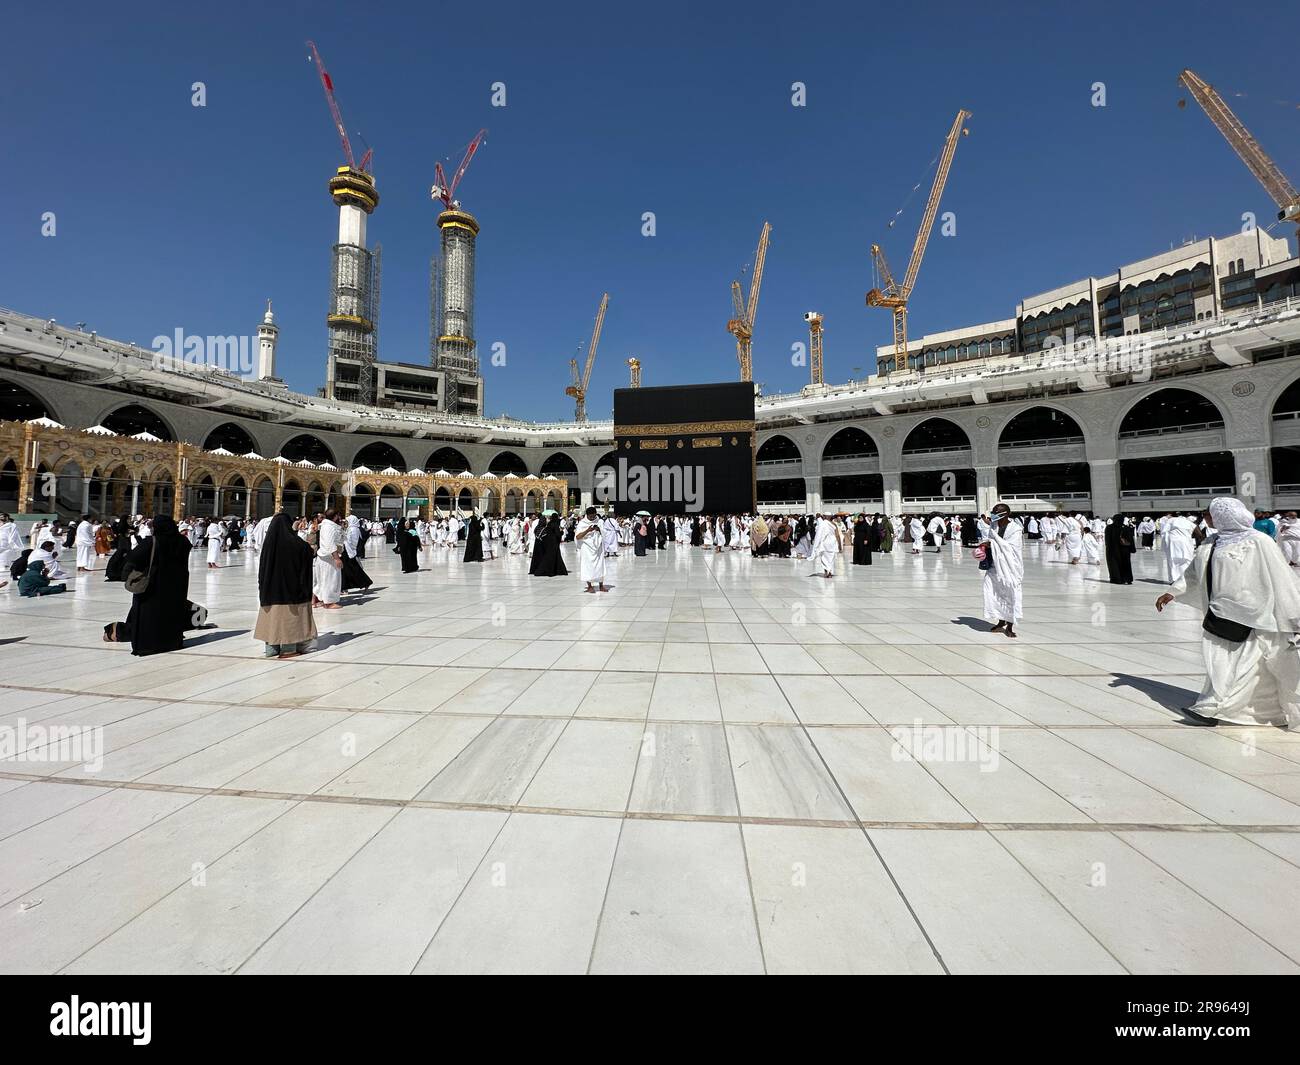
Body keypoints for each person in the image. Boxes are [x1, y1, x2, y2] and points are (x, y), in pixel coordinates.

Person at [1156, 497, 1300, 729]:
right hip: (1219, 614)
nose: (1206, 518)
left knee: (1247, 667)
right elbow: (1194, 572)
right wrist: (1173, 592)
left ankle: (1218, 709)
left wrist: (1293, 613)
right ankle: (1231, 707)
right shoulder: (1212, 542)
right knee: (1220, 664)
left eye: (1209, 514)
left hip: (1254, 615)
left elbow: (1281, 577)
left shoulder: (1258, 541)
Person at [122, 515, 192, 656]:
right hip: (177, 585)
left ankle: (148, 645)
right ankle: (172, 642)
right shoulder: (183, 541)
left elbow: (134, 557)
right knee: (172, 613)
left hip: (154, 585)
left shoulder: (152, 541)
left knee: (149, 616)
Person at [254, 512, 319, 659]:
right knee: (288, 620)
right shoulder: (295, 543)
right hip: (290, 593)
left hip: (270, 592)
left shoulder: (268, 545)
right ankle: (288, 650)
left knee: (272, 620)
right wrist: (312, 537)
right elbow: (309, 552)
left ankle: (271, 649)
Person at [981, 503, 1023, 638]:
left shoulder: (1015, 529)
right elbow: (991, 540)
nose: (993, 514)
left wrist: (991, 544)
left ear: (1006, 513)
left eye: (996, 512)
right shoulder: (993, 526)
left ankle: (1010, 625)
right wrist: (985, 546)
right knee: (992, 592)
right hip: (994, 565)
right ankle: (1000, 621)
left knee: (1011, 594)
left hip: (1009, 567)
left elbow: (1011, 548)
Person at [313, 510, 344, 609]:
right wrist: (337, 558)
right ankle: (329, 602)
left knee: (322, 579)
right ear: (335, 516)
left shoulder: (325, 525)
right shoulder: (329, 527)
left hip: (324, 558)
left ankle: (316, 600)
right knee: (330, 580)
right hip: (329, 558)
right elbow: (330, 544)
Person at [575, 506, 608, 592]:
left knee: (600, 566)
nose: (593, 518)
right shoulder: (582, 523)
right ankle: (590, 586)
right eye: (591, 516)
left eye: (594, 516)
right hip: (587, 548)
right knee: (587, 566)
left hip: (598, 547)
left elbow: (605, 534)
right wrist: (588, 530)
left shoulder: (600, 521)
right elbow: (578, 537)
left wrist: (599, 529)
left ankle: (601, 585)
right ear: (587, 515)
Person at [341, 514, 373, 593]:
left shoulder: (352, 529)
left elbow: (348, 540)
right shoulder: (356, 529)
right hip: (351, 551)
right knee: (351, 570)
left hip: (348, 551)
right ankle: (345, 588)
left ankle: (365, 582)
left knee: (352, 570)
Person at [1162, 512, 1197, 583]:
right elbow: (1197, 530)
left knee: (1172, 561)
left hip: (1173, 543)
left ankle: (1174, 579)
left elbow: (1164, 532)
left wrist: (1164, 545)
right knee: (1186, 561)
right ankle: (1186, 578)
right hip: (1186, 543)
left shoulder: (1171, 520)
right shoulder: (1188, 521)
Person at [1104, 514, 1135, 584]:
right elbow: (1130, 540)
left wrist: (1108, 548)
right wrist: (1132, 549)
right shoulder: (1126, 528)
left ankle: (1116, 579)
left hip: (1113, 550)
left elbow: (1107, 540)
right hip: (1125, 550)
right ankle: (1127, 579)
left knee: (1114, 565)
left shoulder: (1109, 528)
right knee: (1126, 564)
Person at [810, 514, 839, 578]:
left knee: (824, 558)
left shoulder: (823, 523)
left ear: (825, 517)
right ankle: (830, 571)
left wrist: (817, 543)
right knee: (831, 558)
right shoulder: (834, 524)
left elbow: (819, 534)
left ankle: (827, 571)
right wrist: (839, 545)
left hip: (825, 542)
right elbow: (837, 535)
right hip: (832, 542)